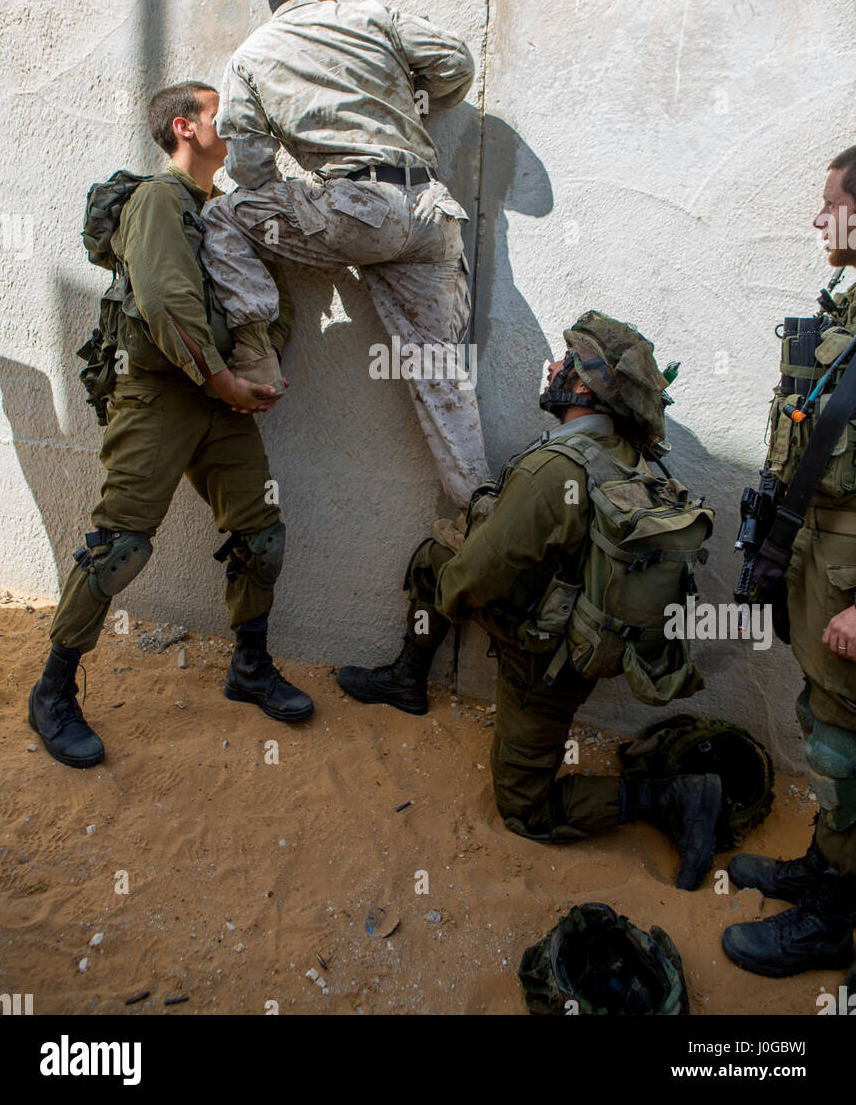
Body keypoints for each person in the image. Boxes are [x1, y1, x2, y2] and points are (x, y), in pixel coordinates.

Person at [338, 312, 722, 891]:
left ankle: (671, 799)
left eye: (566, 361)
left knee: (524, 809)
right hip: (580, 626)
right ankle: (406, 679)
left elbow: (473, 579)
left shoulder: (556, 469)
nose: (552, 367)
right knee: (430, 557)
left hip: (546, 662)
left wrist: (458, 587)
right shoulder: (619, 452)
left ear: (586, 386)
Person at [29, 81, 313, 769]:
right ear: (186, 127)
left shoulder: (220, 211)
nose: (236, 125)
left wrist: (259, 369)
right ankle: (53, 690)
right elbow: (164, 296)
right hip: (158, 396)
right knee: (121, 546)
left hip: (222, 401)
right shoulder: (158, 200)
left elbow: (262, 299)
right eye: (221, 114)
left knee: (261, 536)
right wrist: (221, 377)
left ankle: (249, 666)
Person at [200, 0, 490, 506]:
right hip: (433, 212)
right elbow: (456, 60)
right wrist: (420, 104)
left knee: (222, 213)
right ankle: (480, 508)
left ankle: (256, 354)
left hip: (357, 211)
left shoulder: (249, 57)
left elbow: (249, 168)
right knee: (441, 378)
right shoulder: (373, 16)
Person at [723, 147, 856, 976]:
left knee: (847, 752)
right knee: (829, 729)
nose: (817, 219)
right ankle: (828, 871)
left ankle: (831, 922)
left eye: (830, 203)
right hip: (826, 563)